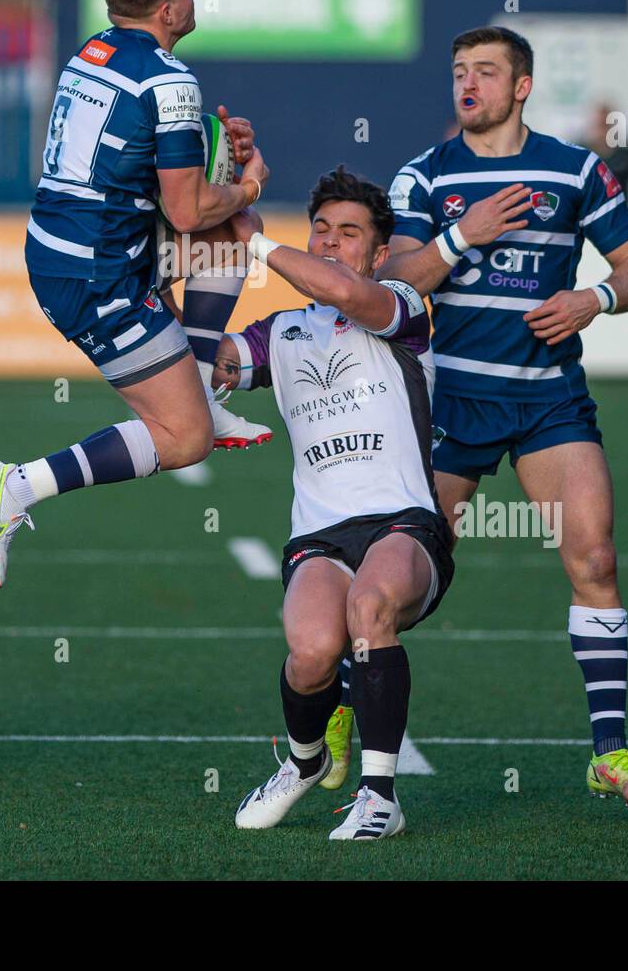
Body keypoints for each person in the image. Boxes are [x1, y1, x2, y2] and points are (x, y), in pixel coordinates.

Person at [376, 25, 628, 809]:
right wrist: (459, 236)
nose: (467, 84)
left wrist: (595, 298)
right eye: (458, 71)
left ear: (522, 85)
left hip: (548, 399)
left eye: (484, 72)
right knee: (401, 578)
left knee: (596, 559)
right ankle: (347, 712)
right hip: (453, 402)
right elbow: (395, 280)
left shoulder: (576, 169)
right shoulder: (425, 176)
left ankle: (610, 752)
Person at [0, 0, 271, 590]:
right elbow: (189, 210)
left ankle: (201, 390)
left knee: (232, 234)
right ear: (168, 10)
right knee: (185, 441)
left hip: (77, 246)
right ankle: (15, 487)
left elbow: (143, 173)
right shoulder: (170, 79)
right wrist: (247, 182)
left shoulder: (94, 50)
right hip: (97, 272)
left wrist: (217, 160)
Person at [216, 167, 455, 840]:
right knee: (312, 651)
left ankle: (380, 797)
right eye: (320, 229)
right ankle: (303, 762)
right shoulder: (284, 330)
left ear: (378, 254)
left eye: (348, 234)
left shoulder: (401, 305)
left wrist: (255, 243)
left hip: (404, 526)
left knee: (370, 608)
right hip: (320, 535)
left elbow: (347, 292)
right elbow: (210, 361)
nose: (329, 242)